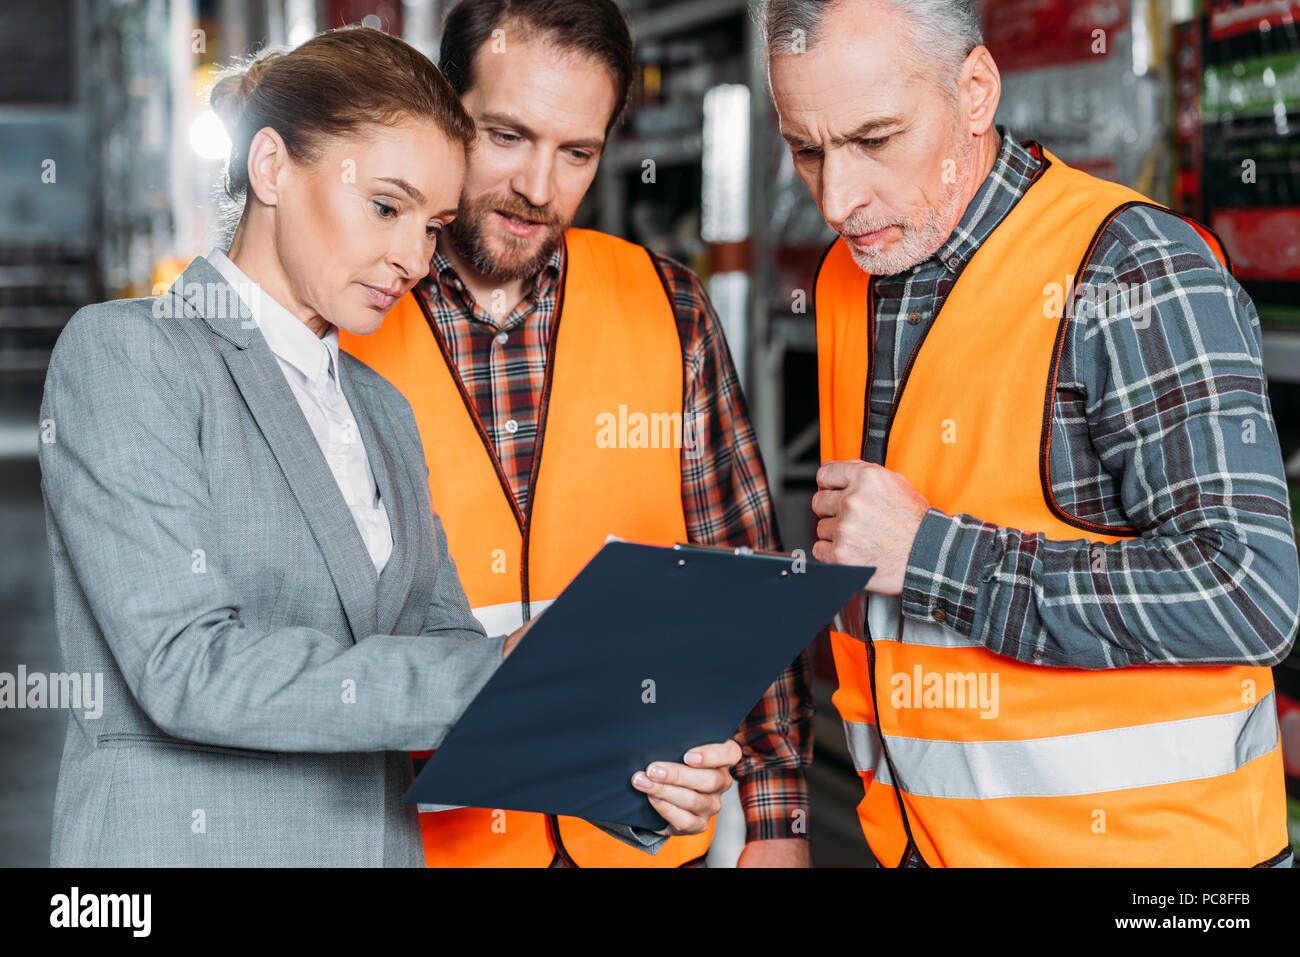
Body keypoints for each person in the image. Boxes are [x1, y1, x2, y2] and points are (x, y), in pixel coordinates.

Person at [38, 25, 736, 867]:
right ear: (270, 169)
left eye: (434, 224)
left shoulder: (378, 409)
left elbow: (445, 673)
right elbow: (185, 665)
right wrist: (509, 668)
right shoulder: (132, 354)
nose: (412, 256)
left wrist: (633, 774)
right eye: (385, 206)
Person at [760, 0, 1300, 866]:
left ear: (975, 91)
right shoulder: (847, 278)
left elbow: (1247, 593)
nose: (837, 198)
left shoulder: (1132, 268)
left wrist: (932, 552)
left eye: (875, 139)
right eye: (807, 147)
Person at [341, 0, 814, 867]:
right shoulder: (347, 316)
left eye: (577, 153)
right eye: (508, 136)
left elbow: (742, 582)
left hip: (633, 842)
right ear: (444, 113)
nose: (538, 187)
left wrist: (776, 824)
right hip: (418, 848)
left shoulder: (668, 309)